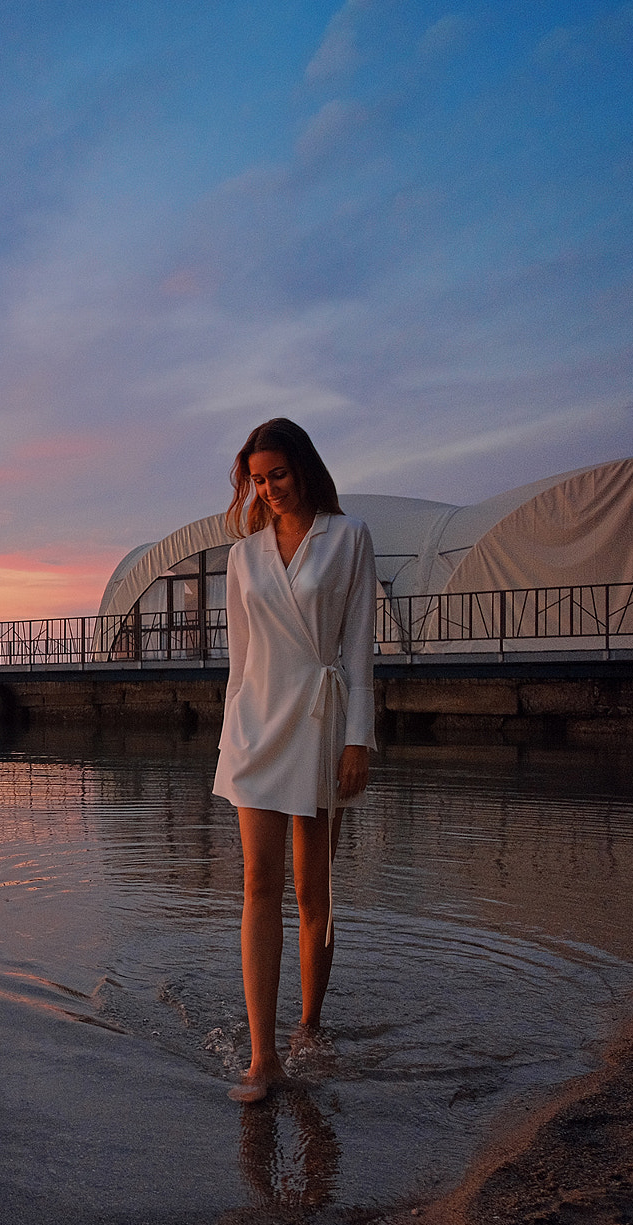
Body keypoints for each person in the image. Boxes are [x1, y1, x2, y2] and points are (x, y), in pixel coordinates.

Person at [212, 418, 376, 1103]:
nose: (269, 488)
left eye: (278, 473)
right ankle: (263, 1058)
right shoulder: (243, 555)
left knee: (314, 892)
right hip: (255, 727)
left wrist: (358, 738)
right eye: (257, 477)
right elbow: (239, 664)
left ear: (303, 468)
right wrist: (228, 742)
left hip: (318, 720)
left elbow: (360, 646)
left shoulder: (348, 538)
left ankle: (309, 1026)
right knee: (258, 884)